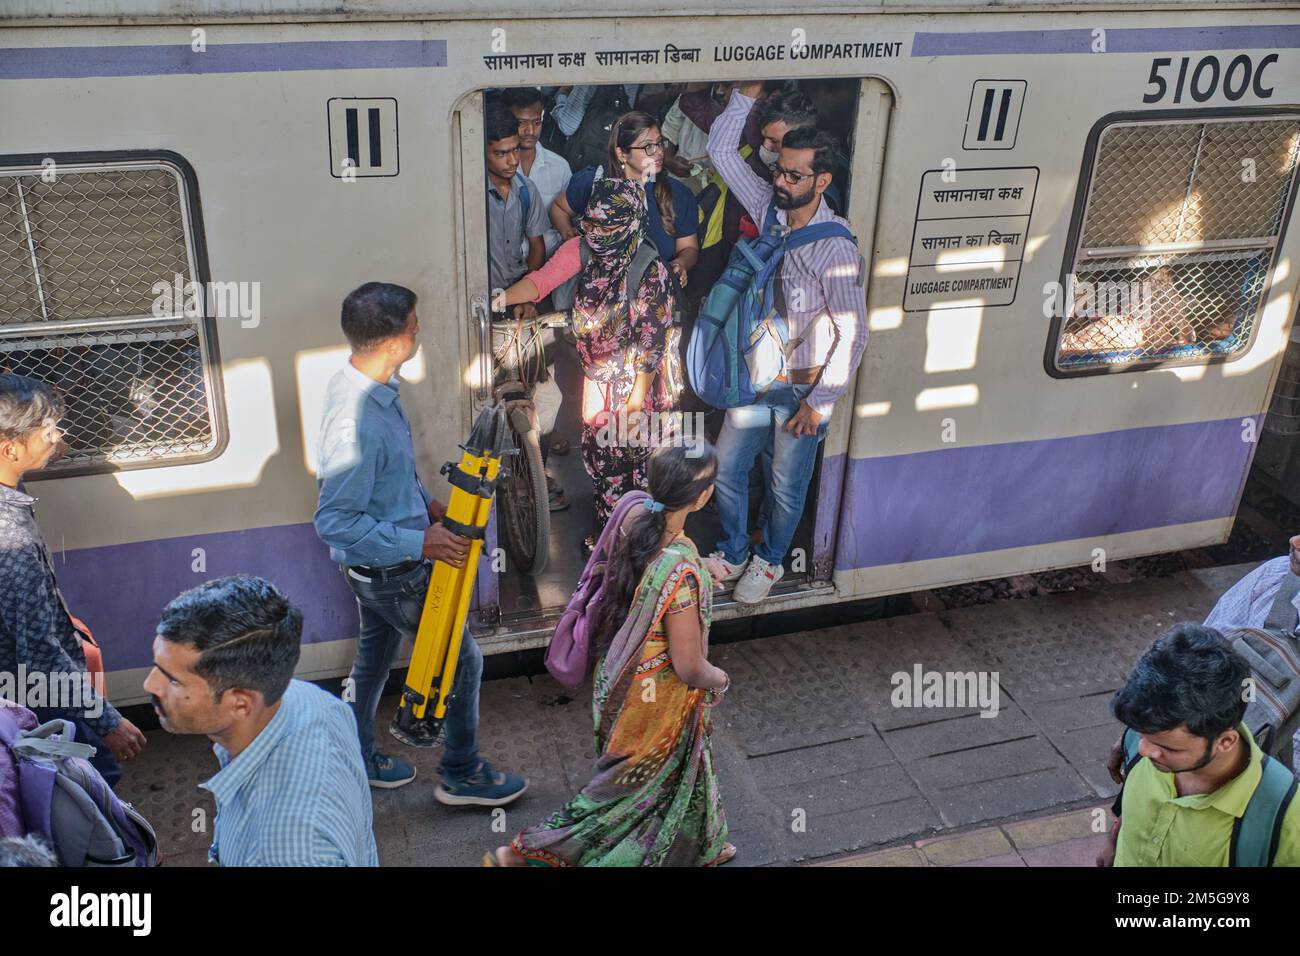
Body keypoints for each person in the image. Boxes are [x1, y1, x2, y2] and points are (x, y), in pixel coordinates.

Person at [314, 282, 527, 805]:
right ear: (392, 343)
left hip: (377, 571)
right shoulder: (356, 421)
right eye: (414, 327)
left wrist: (426, 503)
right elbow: (335, 521)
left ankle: (358, 758)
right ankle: (460, 772)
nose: (418, 333)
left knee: (372, 661)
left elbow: (388, 478)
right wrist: (420, 541)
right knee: (464, 661)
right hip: (395, 574)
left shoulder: (366, 385)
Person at [489, 442, 734, 866]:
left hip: (619, 678)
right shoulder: (681, 575)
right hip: (654, 703)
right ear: (702, 497)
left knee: (669, 773)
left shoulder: (635, 513)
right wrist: (720, 678)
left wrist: (702, 563)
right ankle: (522, 857)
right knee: (619, 790)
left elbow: (656, 564)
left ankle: (701, 844)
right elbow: (690, 667)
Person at [705, 81, 869, 604]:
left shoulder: (835, 248)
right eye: (779, 169)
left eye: (795, 175)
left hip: (801, 389)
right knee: (727, 467)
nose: (780, 180)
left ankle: (770, 561)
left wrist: (820, 405)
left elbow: (854, 331)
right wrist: (744, 96)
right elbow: (719, 151)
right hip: (753, 378)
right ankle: (732, 552)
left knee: (784, 486)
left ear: (822, 180)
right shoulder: (767, 204)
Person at [144, 575, 378, 866]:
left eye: (173, 680)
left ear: (241, 704)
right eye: (157, 665)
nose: (151, 685)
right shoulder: (313, 701)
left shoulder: (286, 850)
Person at [494, 177, 680, 535]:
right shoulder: (585, 248)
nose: (596, 231)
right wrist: (497, 301)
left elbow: (649, 346)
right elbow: (542, 281)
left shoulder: (649, 269)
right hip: (599, 375)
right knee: (600, 455)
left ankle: (636, 541)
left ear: (629, 222)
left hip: (638, 382)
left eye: (605, 224)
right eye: (591, 223)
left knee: (634, 461)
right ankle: (611, 533)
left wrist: (634, 406)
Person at [0, 374, 146, 787]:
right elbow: (40, 655)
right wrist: (107, 720)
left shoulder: (9, 492)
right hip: (35, 700)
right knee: (93, 779)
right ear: (10, 448)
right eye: (48, 430)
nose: (57, 437)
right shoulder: (11, 538)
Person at [1097, 623, 1300, 867]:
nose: (1144, 750)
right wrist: (1113, 842)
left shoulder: (1285, 820)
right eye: (1143, 736)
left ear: (1225, 742)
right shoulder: (1152, 735)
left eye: (1170, 749)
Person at [550, 111, 700, 290]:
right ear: (622, 153)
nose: (659, 151)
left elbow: (689, 248)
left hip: (652, 296)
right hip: (597, 294)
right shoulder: (594, 183)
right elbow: (558, 208)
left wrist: (680, 264)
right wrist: (568, 233)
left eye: (660, 143)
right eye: (648, 147)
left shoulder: (677, 193)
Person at [485, 99, 547, 306]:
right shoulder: (469, 196)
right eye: (501, 153)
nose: (512, 161)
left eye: (515, 150)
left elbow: (537, 246)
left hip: (515, 296)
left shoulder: (526, 191)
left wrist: (525, 299)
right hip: (479, 297)